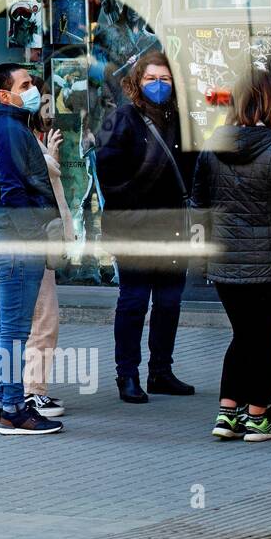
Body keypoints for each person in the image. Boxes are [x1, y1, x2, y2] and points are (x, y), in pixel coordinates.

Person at [192, 69, 271, 442]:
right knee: (265, 338)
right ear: (270, 102)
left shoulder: (211, 147)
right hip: (270, 260)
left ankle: (228, 413)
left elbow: (199, 202)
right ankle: (258, 415)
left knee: (243, 336)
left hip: (225, 263)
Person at [94, 51, 195, 404]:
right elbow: (109, 179)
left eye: (165, 79)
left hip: (173, 228)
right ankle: (128, 375)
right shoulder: (120, 120)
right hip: (134, 229)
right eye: (151, 79)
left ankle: (161, 371)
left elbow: (195, 169)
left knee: (169, 301)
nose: (158, 85)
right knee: (134, 301)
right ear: (137, 82)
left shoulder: (182, 121)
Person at [0, 63, 63, 434]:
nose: (33, 90)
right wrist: (35, 237)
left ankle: (4, 405)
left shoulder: (11, 128)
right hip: (17, 246)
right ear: (5, 94)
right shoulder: (11, 131)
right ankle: (13, 409)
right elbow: (14, 193)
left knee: (8, 329)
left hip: (10, 242)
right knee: (14, 332)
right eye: (26, 84)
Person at [23, 75, 74, 418]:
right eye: (42, 102)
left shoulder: (33, 140)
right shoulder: (22, 141)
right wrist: (50, 159)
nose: (47, 109)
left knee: (42, 318)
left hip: (43, 240)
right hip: (33, 242)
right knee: (43, 319)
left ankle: (32, 390)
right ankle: (31, 392)